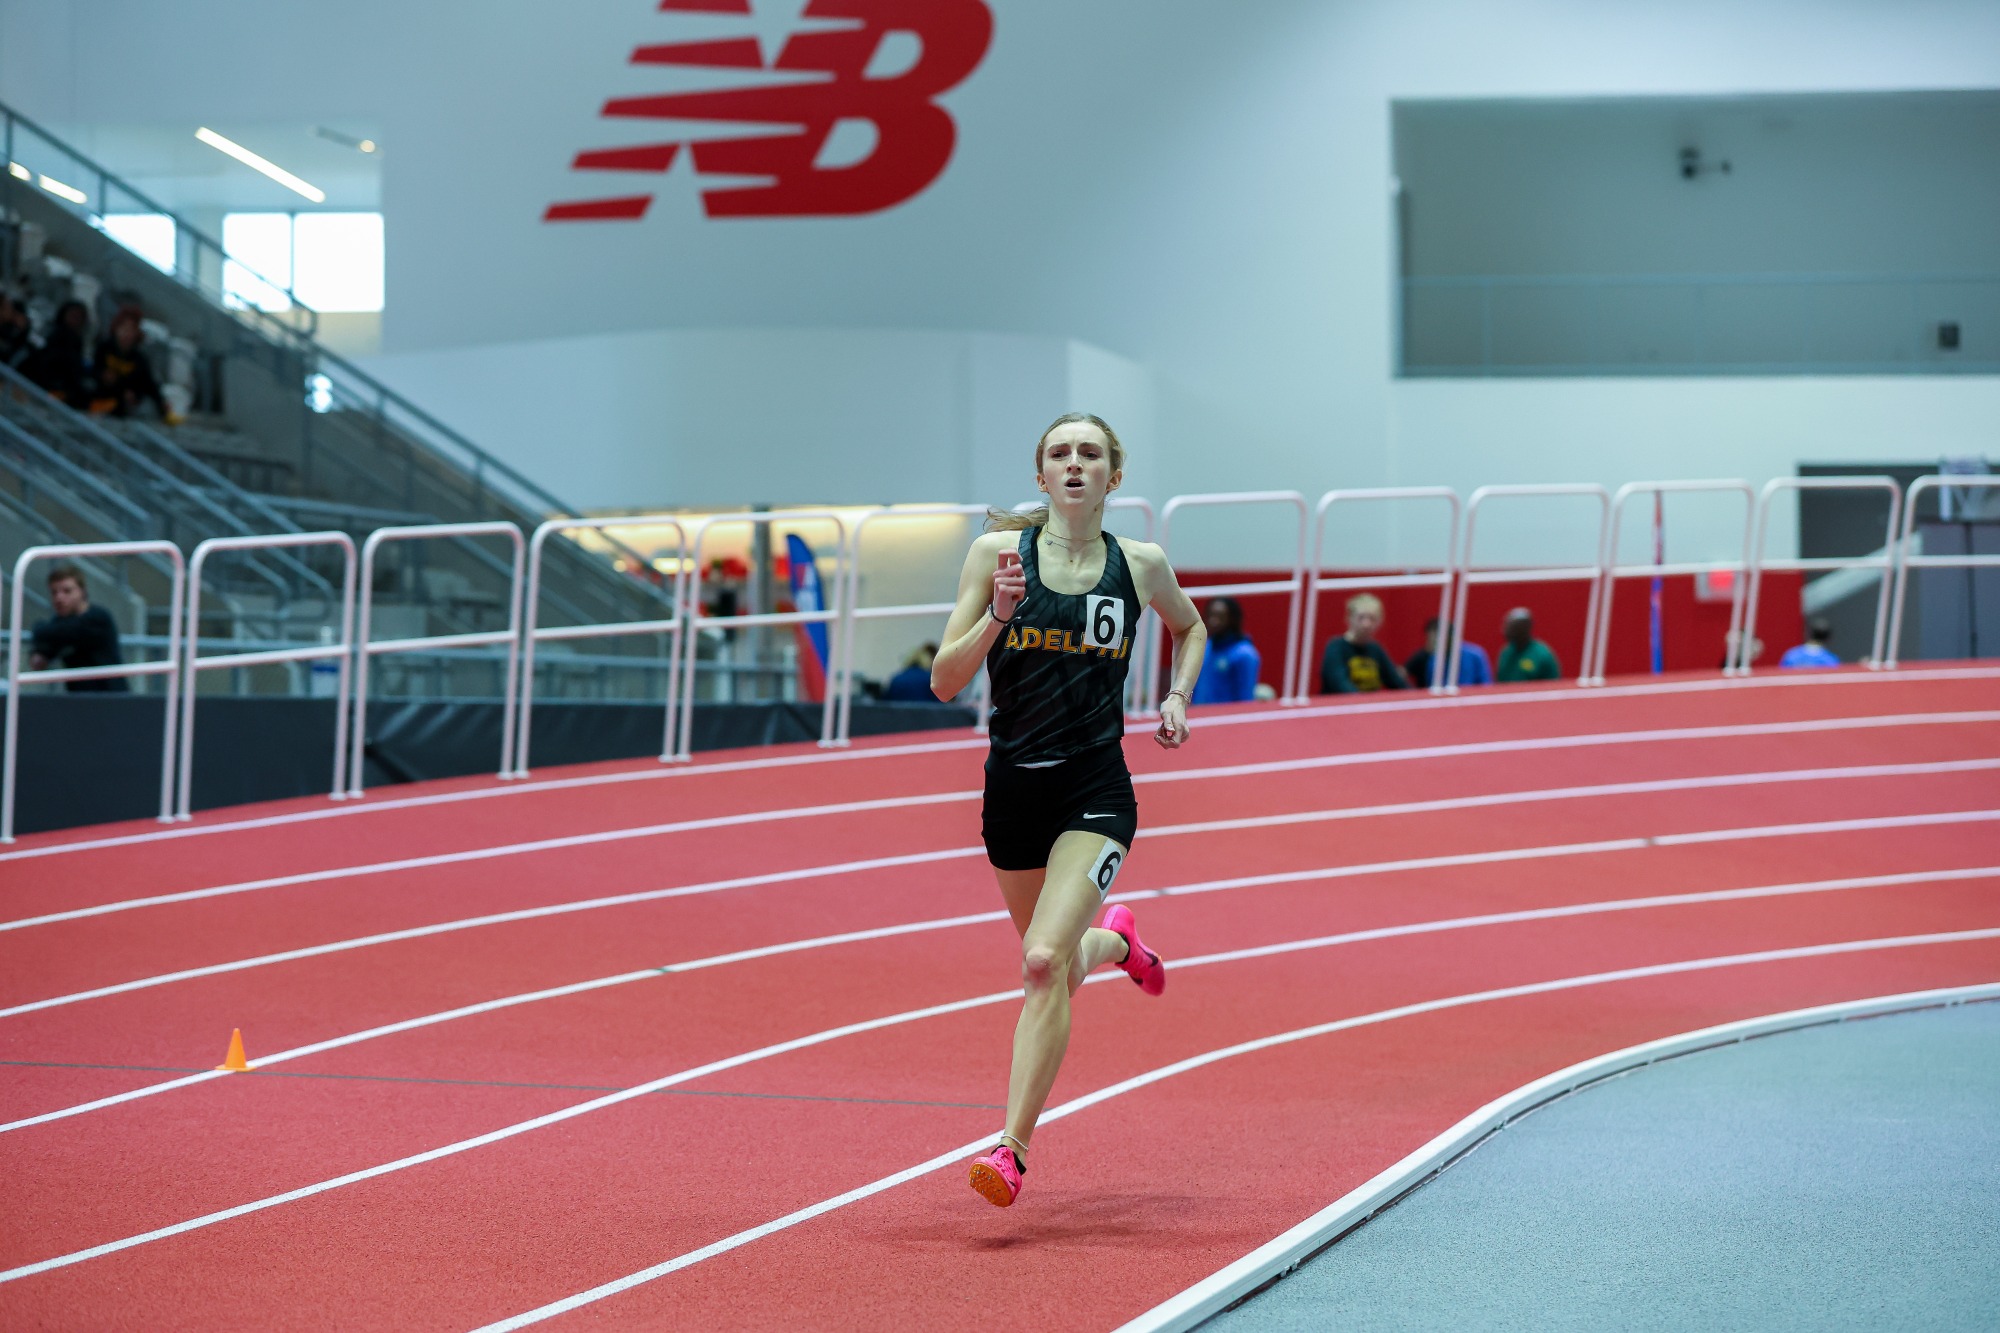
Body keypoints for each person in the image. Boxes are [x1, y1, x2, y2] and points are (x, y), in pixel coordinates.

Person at [930, 411, 1203, 1208]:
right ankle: (1117, 943)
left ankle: (1010, 1150)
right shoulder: (997, 557)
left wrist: (1178, 696)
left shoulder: (1141, 564)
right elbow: (945, 680)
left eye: (1090, 453)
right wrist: (998, 617)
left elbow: (1188, 627)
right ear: (1041, 477)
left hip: (1095, 790)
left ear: (1113, 477)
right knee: (1058, 962)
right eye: (1060, 454)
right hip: (1012, 789)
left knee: (1042, 963)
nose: (1074, 464)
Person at [29, 565, 128, 692]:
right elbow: (40, 658)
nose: (59, 598)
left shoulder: (98, 618)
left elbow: (58, 632)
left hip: (111, 698)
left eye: (67, 591)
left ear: (82, 591)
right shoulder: (59, 624)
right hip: (78, 700)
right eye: (54, 592)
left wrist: (38, 628)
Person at [91, 306, 171, 420]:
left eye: (131, 330)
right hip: (99, 398)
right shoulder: (104, 348)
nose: (126, 334)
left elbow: (149, 384)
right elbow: (93, 371)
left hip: (124, 407)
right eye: (123, 328)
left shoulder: (139, 358)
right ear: (116, 328)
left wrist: (161, 404)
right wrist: (102, 376)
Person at [1319, 592, 1408, 693]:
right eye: (1361, 617)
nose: (1366, 624)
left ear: (1380, 621)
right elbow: (1339, 684)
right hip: (1342, 706)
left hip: (1369, 705)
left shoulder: (1376, 649)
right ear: (1349, 618)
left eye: (1372, 618)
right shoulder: (1336, 647)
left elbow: (1397, 682)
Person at [22, 300, 93, 408]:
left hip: (64, 389)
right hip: (43, 382)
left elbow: (75, 369)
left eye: (78, 317)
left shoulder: (77, 341)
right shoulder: (51, 331)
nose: (75, 320)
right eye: (72, 315)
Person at [1192, 595, 1260, 704]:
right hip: (1198, 716)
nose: (1213, 621)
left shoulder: (1245, 654)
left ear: (1232, 619)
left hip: (1224, 718)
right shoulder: (1205, 647)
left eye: (1220, 616)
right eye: (1210, 615)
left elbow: (1246, 698)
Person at [1403, 617, 1493, 689]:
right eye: (1428, 639)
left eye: (1434, 639)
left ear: (1449, 637)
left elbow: (1486, 686)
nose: (1429, 644)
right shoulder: (1433, 661)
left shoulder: (1476, 655)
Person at [1496, 607, 1561, 682]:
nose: (1505, 631)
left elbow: (1553, 684)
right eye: (1506, 626)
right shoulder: (1506, 652)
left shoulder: (1542, 654)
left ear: (1526, 628)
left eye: (1513, 627)